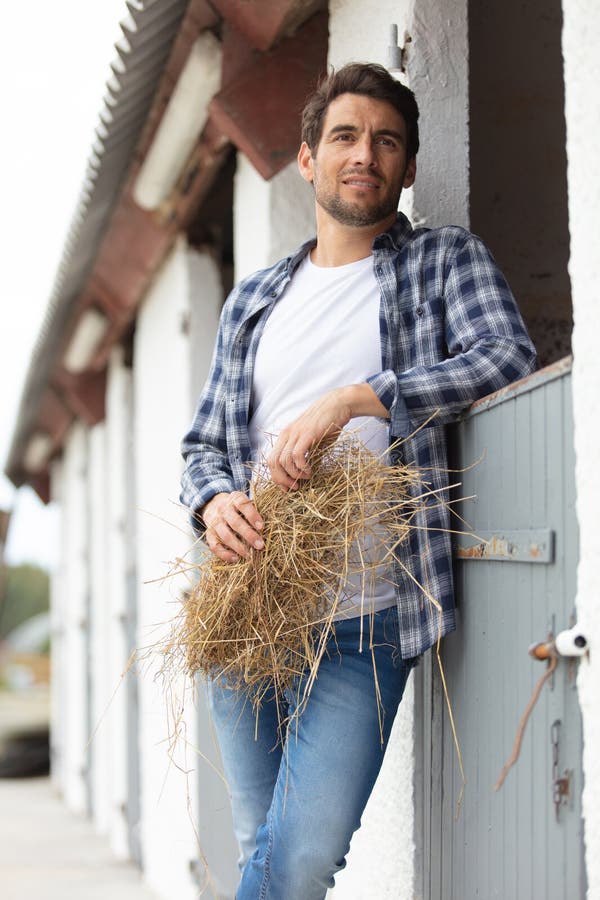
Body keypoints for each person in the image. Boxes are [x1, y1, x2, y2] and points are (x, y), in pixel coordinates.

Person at [180, 63, 536, 899]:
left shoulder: (443, 261)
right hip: (244, 602)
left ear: (408, 167)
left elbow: (506, 356)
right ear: (307, 158)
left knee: (300, 859)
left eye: (386, 141)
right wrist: (213, 501)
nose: (363, 154)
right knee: (256, 840)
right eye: (343, 136)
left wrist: (364, 397)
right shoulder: (255, 300)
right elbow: (203, 446)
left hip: (368, 619)